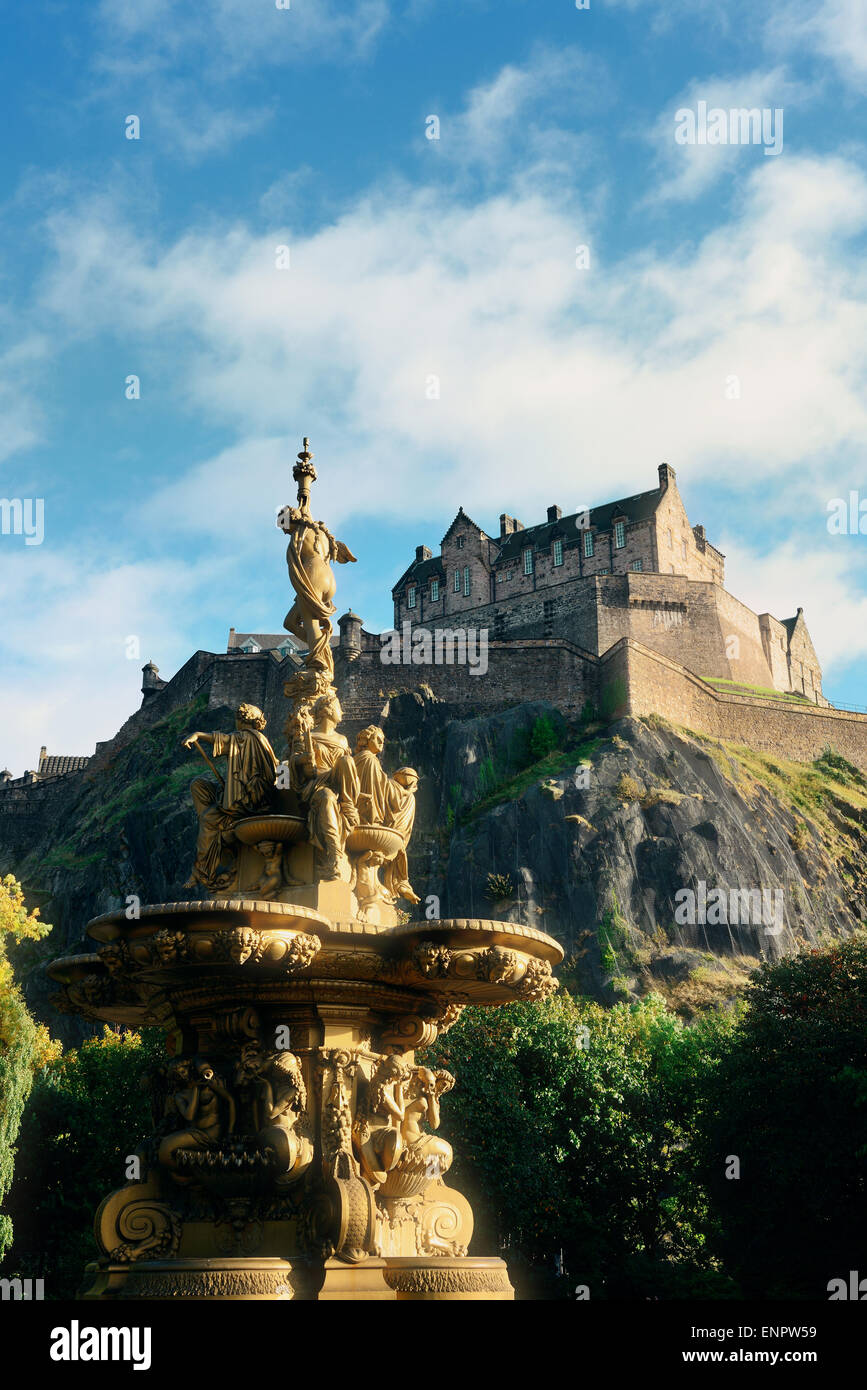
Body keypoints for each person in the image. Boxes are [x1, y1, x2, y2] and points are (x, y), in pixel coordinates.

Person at [183, 703, 278, 889]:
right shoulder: (260, 740)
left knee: (208, 819)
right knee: (199, 786)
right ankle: (218, 823)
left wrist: (198, 735)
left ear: (243, 720)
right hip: (243, 793)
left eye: (237, 718)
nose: (236, 722)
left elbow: (225, 740)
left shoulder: (245, 737)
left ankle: (202, 871)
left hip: (247, 802)